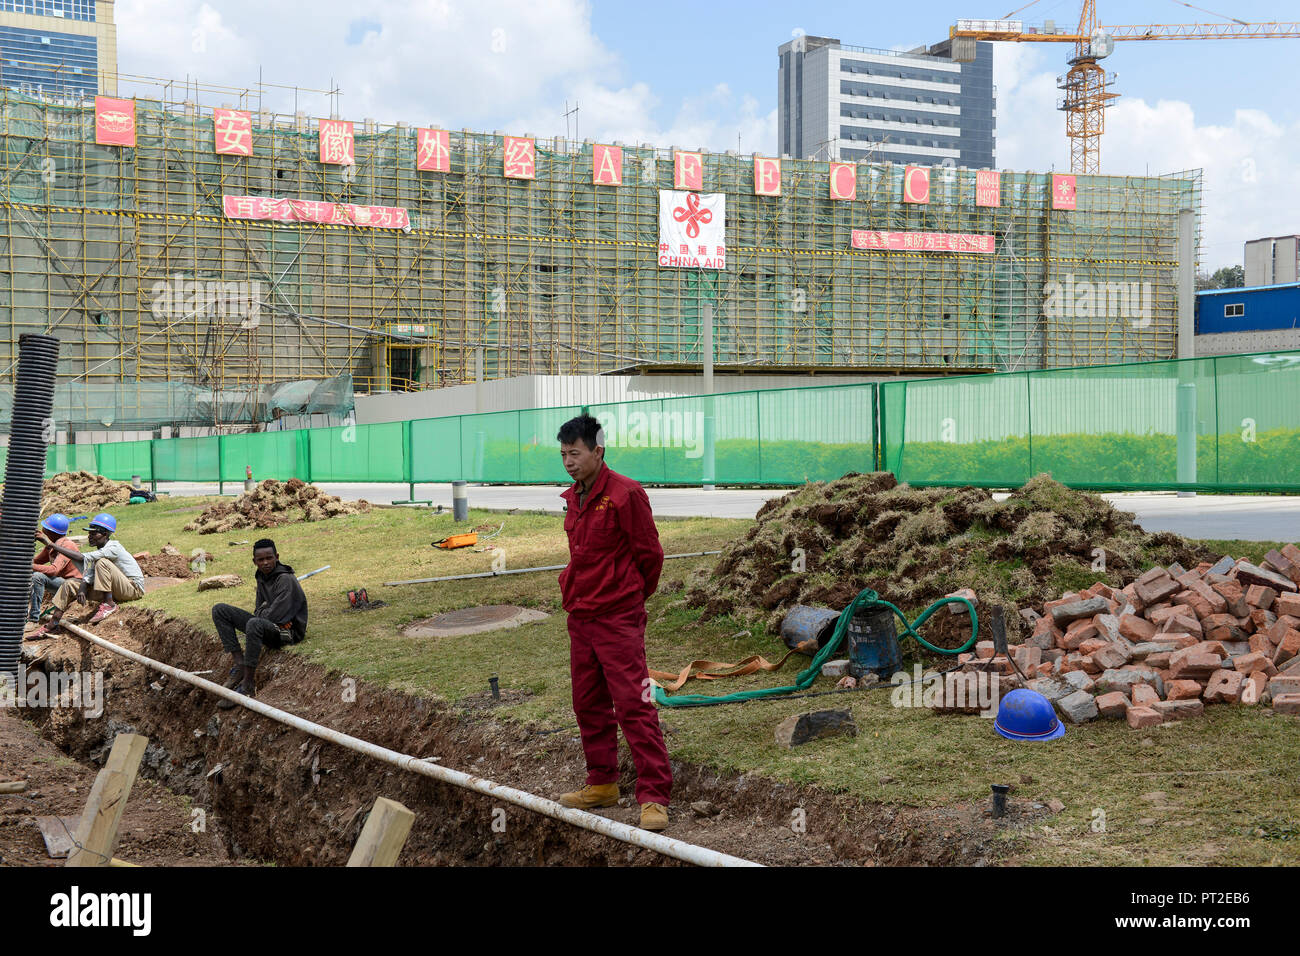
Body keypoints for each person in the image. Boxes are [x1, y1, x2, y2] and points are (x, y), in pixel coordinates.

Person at [554, 414, 670, 832]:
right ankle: (602, 783)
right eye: (564, 454)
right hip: (581, 617)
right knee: (588, 703)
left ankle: (654, 795)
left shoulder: (626, 494)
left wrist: (632, 598)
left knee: (634, 705)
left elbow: (650, 556)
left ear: (598, 451)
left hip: (618, 618)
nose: (569, 462)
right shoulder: (574, 496)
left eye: (576, 453)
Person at [210, 538, 308, 709]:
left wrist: (265, 611)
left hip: (288, 633)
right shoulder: (261, 577)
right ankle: (240, 663)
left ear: (277, 557)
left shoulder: (285, 579)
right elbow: (259, 610)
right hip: (269, 625)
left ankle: (248, 684)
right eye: (261, 560)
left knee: (255, 623)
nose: (266, 563)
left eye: (269, 558)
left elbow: (272, 617)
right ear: (254, 561)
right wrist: (265, 611)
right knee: (219, 610)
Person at [30, 512, 145, 637]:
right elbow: (90, 569)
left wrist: (51, 544)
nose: (89, 536)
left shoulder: (113, 547)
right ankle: (53, 624)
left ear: (105, 534)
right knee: (70, 584)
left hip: (133, 589)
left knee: (102, 563)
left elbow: (82, 558)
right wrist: (83, 586)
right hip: (116, 590)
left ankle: (109, 605)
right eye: (89, 533)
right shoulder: (101, 550)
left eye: (93, 533)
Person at [30, 513, 82, 625]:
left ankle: (33, 619)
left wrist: (29, 566)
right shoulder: (52, 546)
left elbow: (54, 570)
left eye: (45, 529)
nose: (42, 531)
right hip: (63, 584)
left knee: (37, 577)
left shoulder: (67, 545)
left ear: (51, 533)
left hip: (74, 586)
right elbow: (37, 561)